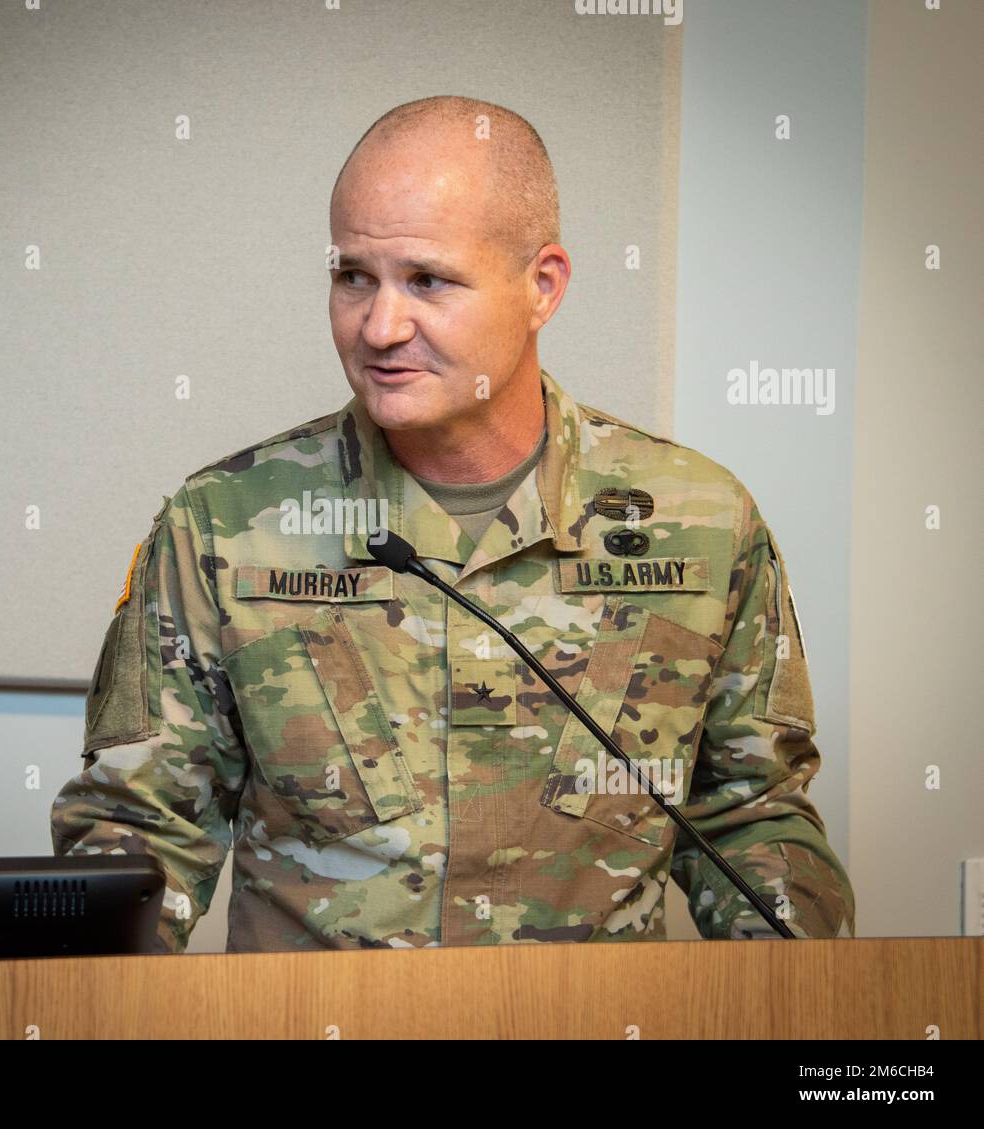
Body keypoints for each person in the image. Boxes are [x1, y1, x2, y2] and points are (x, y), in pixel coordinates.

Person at [50, 95, 855, 952]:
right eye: (353, 276)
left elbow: (752, 821)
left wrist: (807, 1012)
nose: (379, 326)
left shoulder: (700, 522)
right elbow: (139, 837)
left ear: (542, 287)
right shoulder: (220, 525)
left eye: (427, 280)